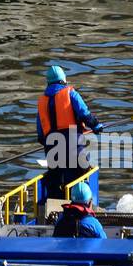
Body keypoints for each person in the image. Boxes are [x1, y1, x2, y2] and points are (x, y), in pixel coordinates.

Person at [37, 65, 102, 198]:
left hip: (52, 149)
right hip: (74, 147)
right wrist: (96, 126)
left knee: (56, 182)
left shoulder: (42, 101)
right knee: (79, 178)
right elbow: (85, 114)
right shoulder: (70, 93)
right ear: (63, 80)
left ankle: (55, 212)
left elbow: (40, 132)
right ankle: (80, 207)